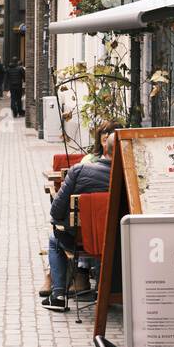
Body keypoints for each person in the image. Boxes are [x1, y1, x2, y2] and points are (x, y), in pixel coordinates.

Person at [43, 128, 116, 312]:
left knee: (54, 240)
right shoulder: (128, 175)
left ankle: (58, 295)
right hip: (117, 240)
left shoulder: (79, 170)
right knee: (106, 236)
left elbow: (56, 210)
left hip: (79, 241)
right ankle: (105, 290)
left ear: (103, 148)